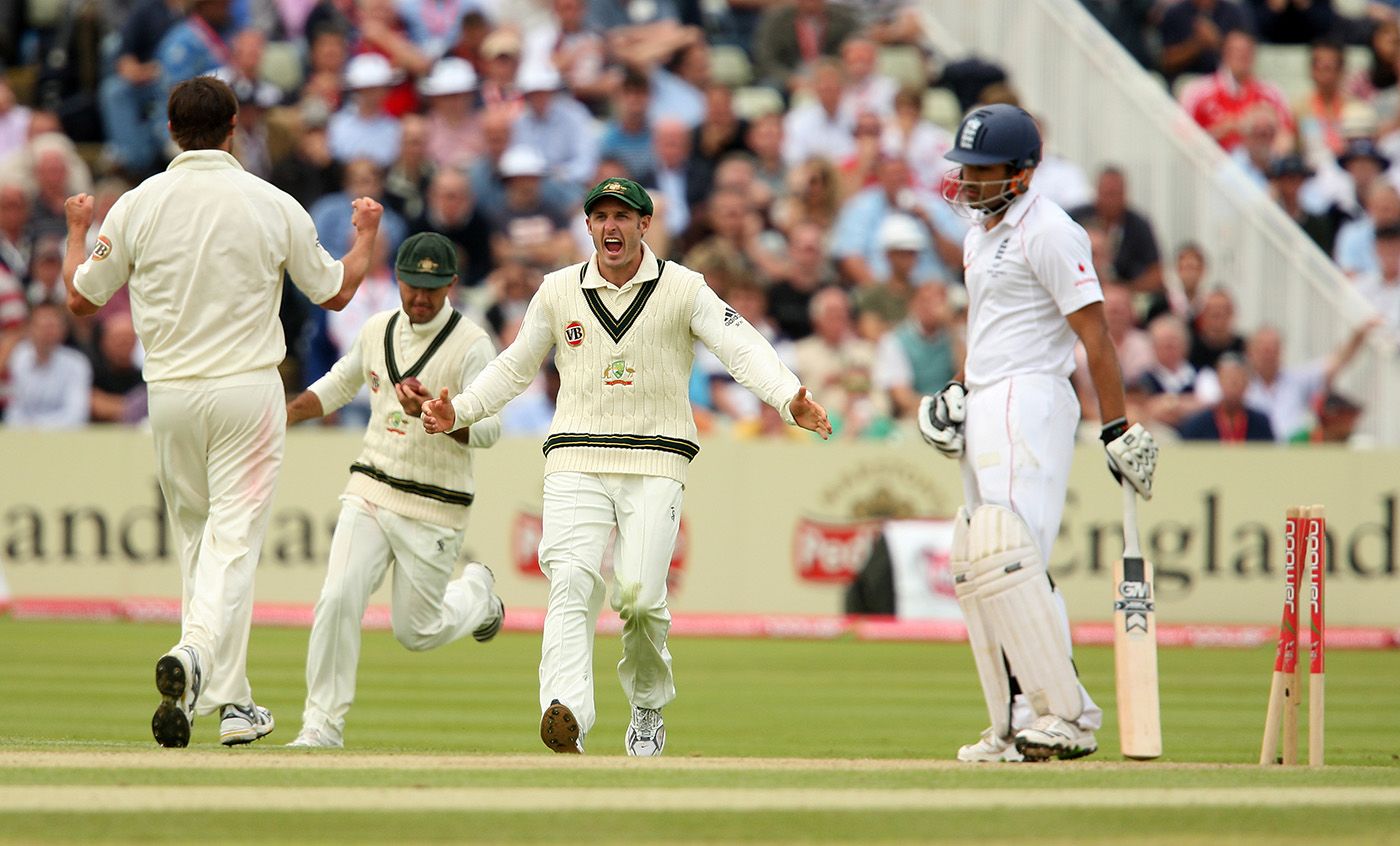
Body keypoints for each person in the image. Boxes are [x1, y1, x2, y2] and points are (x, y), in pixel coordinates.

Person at [419, 177, 832, 756]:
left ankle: (646, 705)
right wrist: (459, 408)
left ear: (645, 224)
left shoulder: (684, 288)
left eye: (624, 216)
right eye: (601, 216)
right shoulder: (557, 290)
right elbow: (514, 366)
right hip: (575, 457)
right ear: (587, 226)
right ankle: (567, 712)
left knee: (639, 599)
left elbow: (739, 346)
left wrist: (789, 397)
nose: (611, 226)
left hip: (656, 457)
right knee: (569, 580)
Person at [61, 76, 384, 748]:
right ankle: (197, 656)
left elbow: (80, 299)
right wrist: (366, 235)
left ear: (171, 130)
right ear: (234, 125)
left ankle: (232, 702)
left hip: (170, 393)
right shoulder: (269, 201)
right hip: (247, 391)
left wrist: (75, 232)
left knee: (200, 544)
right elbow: (335, 292)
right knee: (232, 544)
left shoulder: (136, 205)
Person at [917, 104, 1158, 763]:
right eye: (961, 168)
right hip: (988, 397)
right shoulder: (977, 233)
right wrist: (960, 389)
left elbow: (1095, 335)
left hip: (1034, 398)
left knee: (1014, 561)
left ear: (1021, 173)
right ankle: (1018, 721)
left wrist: (1116, 425)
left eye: (982, 169)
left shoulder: (1051, 230)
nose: (966, 181)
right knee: (986, 568)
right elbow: (988, 322)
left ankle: (1070, 716)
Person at [283, 233, 505, 748]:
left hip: (436, 504)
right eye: (412, 286)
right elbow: (339, 385)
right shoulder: (378, 328)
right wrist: (286, 413)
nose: (420, 298)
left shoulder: (472, 345)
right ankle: (321, 727)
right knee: (337, 597)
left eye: (432, 287)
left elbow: (491, 431)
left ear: (452, 283)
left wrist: (442, 416)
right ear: (397, 280)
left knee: (416, 632)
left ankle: (477, 595)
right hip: (370, 485)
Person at [1178, 353, 1274, 442]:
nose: (1232, 385)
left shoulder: (1261, 424)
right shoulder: (1198, 424)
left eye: (1237, 380)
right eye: (1228, 379)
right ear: (1218, 381)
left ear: (1247, 383)